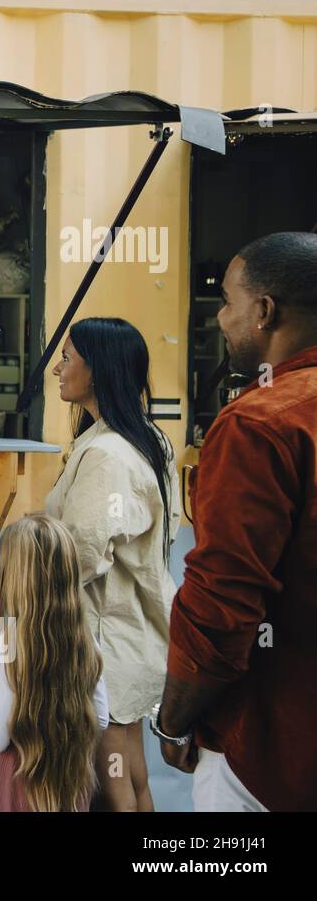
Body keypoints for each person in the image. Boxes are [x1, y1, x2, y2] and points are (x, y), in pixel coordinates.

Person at [156, 232, 317, 812]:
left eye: (226, 301)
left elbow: (223, 599)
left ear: (264, 310)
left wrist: (175, 720)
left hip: (268, 747)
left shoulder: (259, 423)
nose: (221, 318)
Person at [44, 317, 179, 811]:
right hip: (131, 640)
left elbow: (80, 552)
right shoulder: (146, 439)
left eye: (68, 357)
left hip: (105, 645)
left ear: (96, 370)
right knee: (131, 774)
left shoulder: (106, 453)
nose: (58, 368)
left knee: (111, 782)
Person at [0, 514, 109, 812]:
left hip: (19, 792)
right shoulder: (86, 641)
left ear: (12, 577)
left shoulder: (7, 644)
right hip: (70, 790)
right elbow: (102, 720)